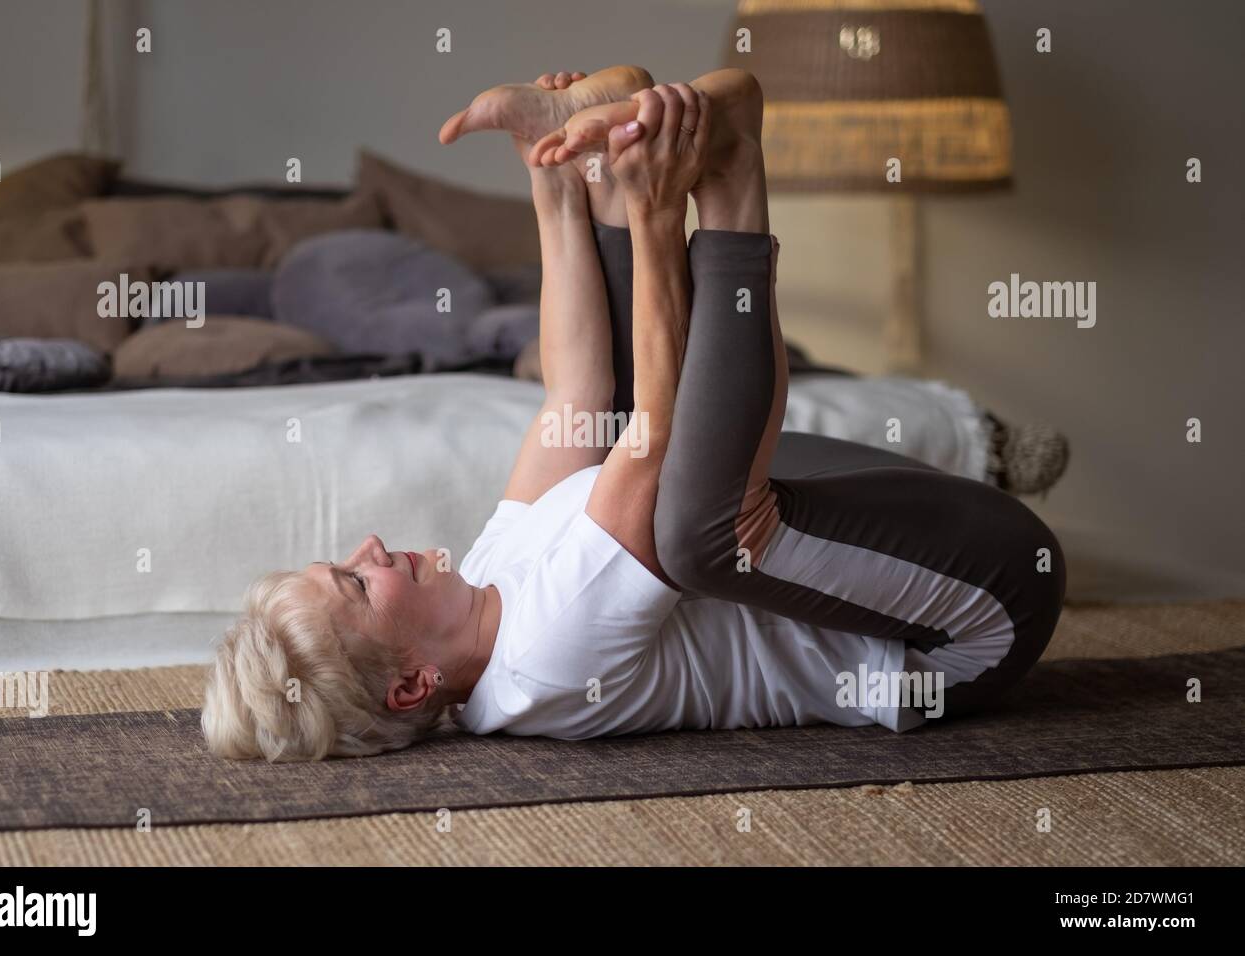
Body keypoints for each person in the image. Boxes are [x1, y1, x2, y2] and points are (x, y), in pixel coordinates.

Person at [202, 67, 1065, 761]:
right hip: (969, 627)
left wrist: (555, 183)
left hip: (889, 525)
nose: (368, 547)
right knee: (698, 528)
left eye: (343, 560)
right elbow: (659, 426)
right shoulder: (542, 658)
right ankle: (732, 171)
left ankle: (599, 163)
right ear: (411, 686)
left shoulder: (489, 584)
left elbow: (575, 396)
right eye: (357, 583)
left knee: (603, 435)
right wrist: (657, 211)